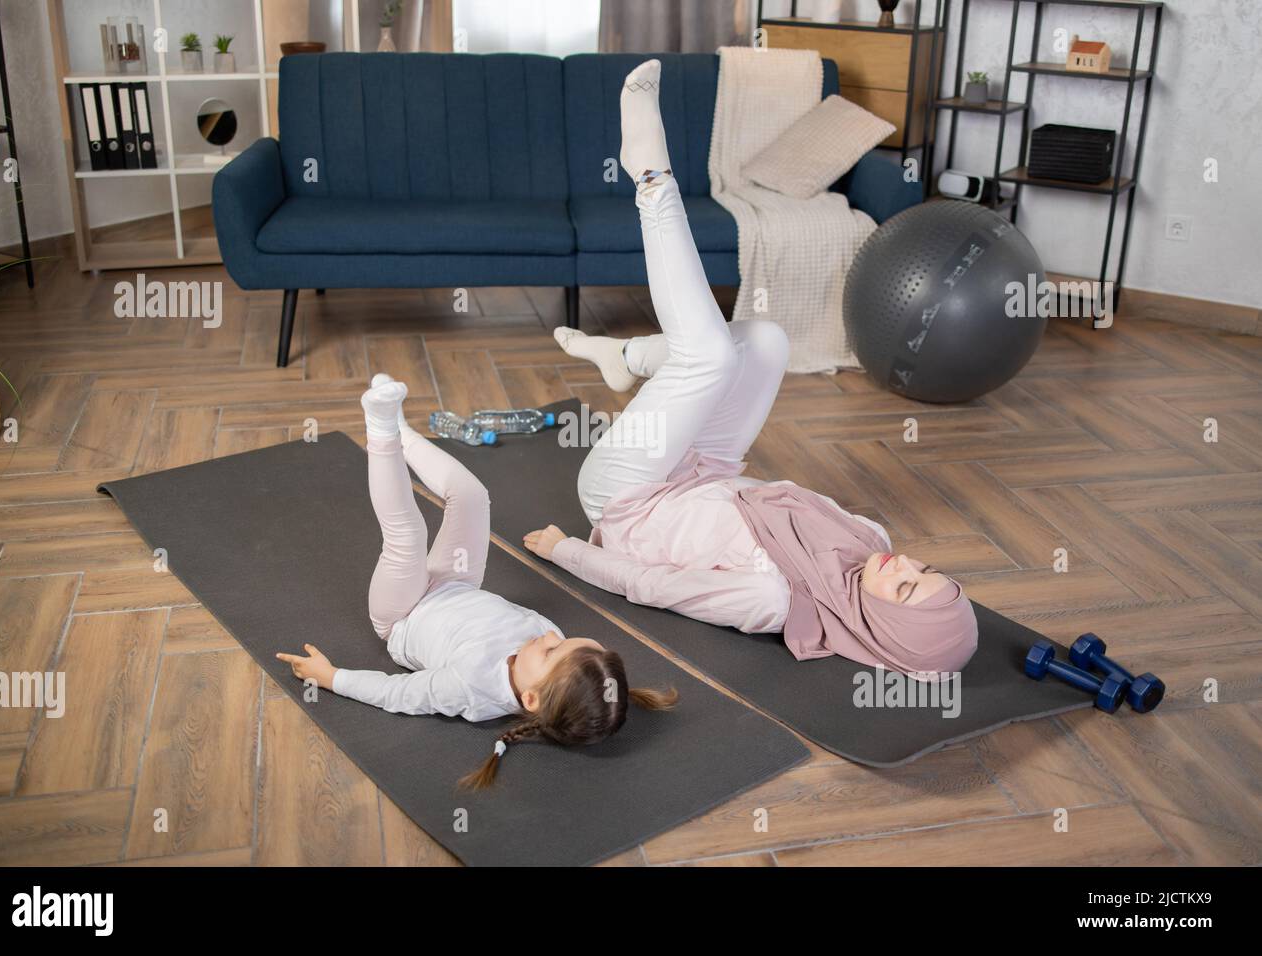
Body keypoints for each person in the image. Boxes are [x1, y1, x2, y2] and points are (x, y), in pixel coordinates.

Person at [526, 60, 977, 680]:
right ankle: (626, 357)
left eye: (903, 591)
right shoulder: (868, 539)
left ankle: (648, 173)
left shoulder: (774, 603)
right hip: (702, 469)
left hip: (627, 502)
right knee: (765, 341)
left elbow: (653, 584)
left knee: (709, 355)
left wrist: (568, 552)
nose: (905, 566)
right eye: (924, 571)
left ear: (886, 628)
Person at [277, 373, 677, 789]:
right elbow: (499, 619)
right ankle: (401, 430)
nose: (547, 637)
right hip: (456, 584)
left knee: (408, 535)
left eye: (551, 651)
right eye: (565, 638)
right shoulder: (547, 644)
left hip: (403, 614)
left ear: (532, 699)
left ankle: (379, 426)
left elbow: (397, 694)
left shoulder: (468, 688)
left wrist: (332, 677)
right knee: (472, 496)